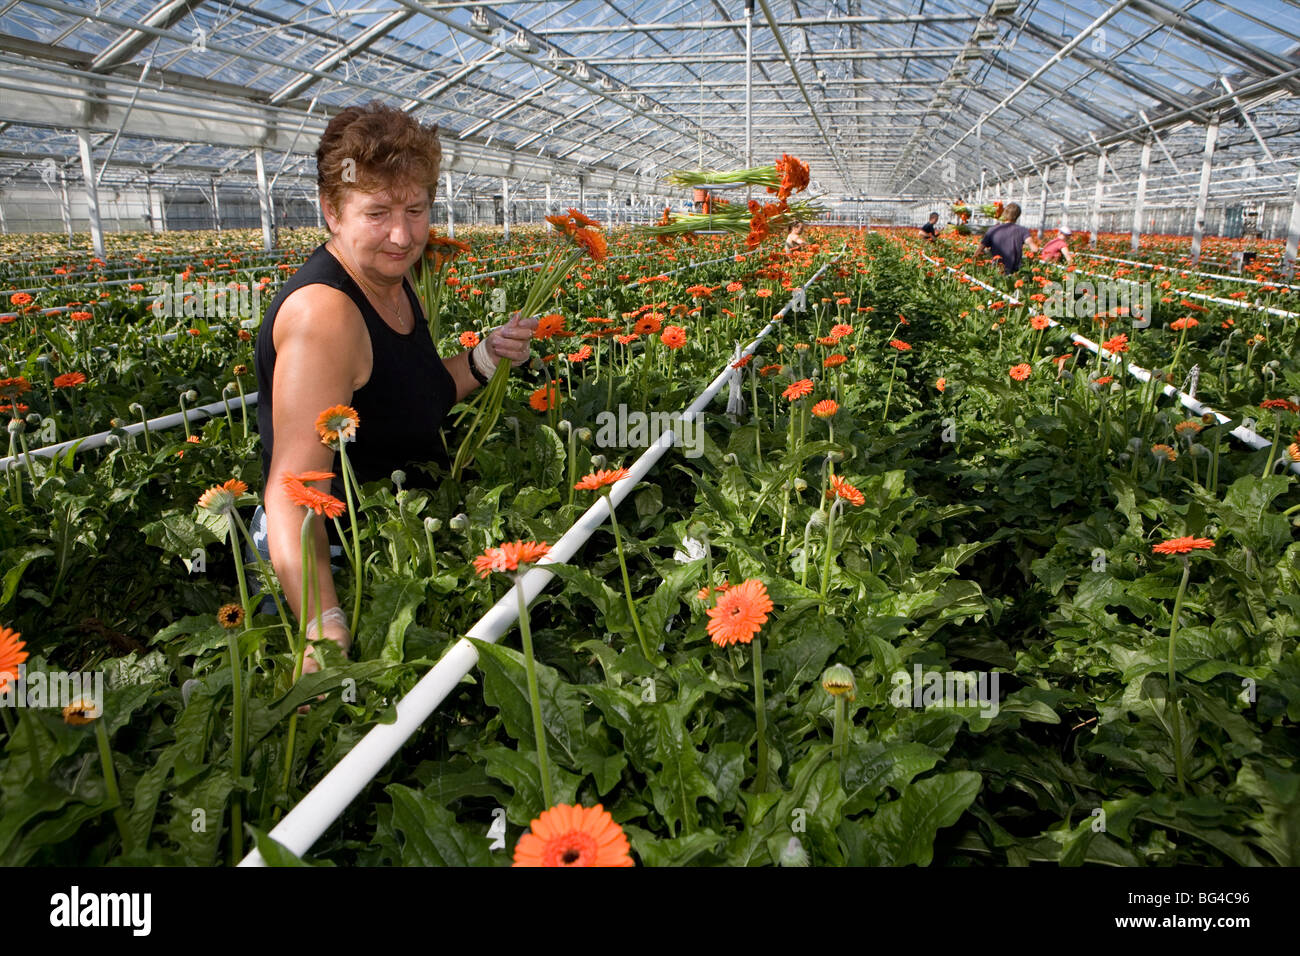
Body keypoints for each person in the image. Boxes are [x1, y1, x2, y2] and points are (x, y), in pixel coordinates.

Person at [252, 101, 537, 677]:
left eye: (416, 209)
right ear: (332, 211)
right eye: (377, 212)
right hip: (338, 559)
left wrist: (484, 357)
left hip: (405, 536)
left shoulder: (395, 285)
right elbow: (292, 491)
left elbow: (415, 396)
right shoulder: (325, 315)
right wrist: (321, 624)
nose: (403, 234)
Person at [978, 202, 1039, 275]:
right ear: (1018, 215)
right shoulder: (1023, 230)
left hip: (996, 270)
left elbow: (979, 250)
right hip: (1015, 271)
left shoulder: (993, 230)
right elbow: (1035, 249)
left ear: (1004, 213)